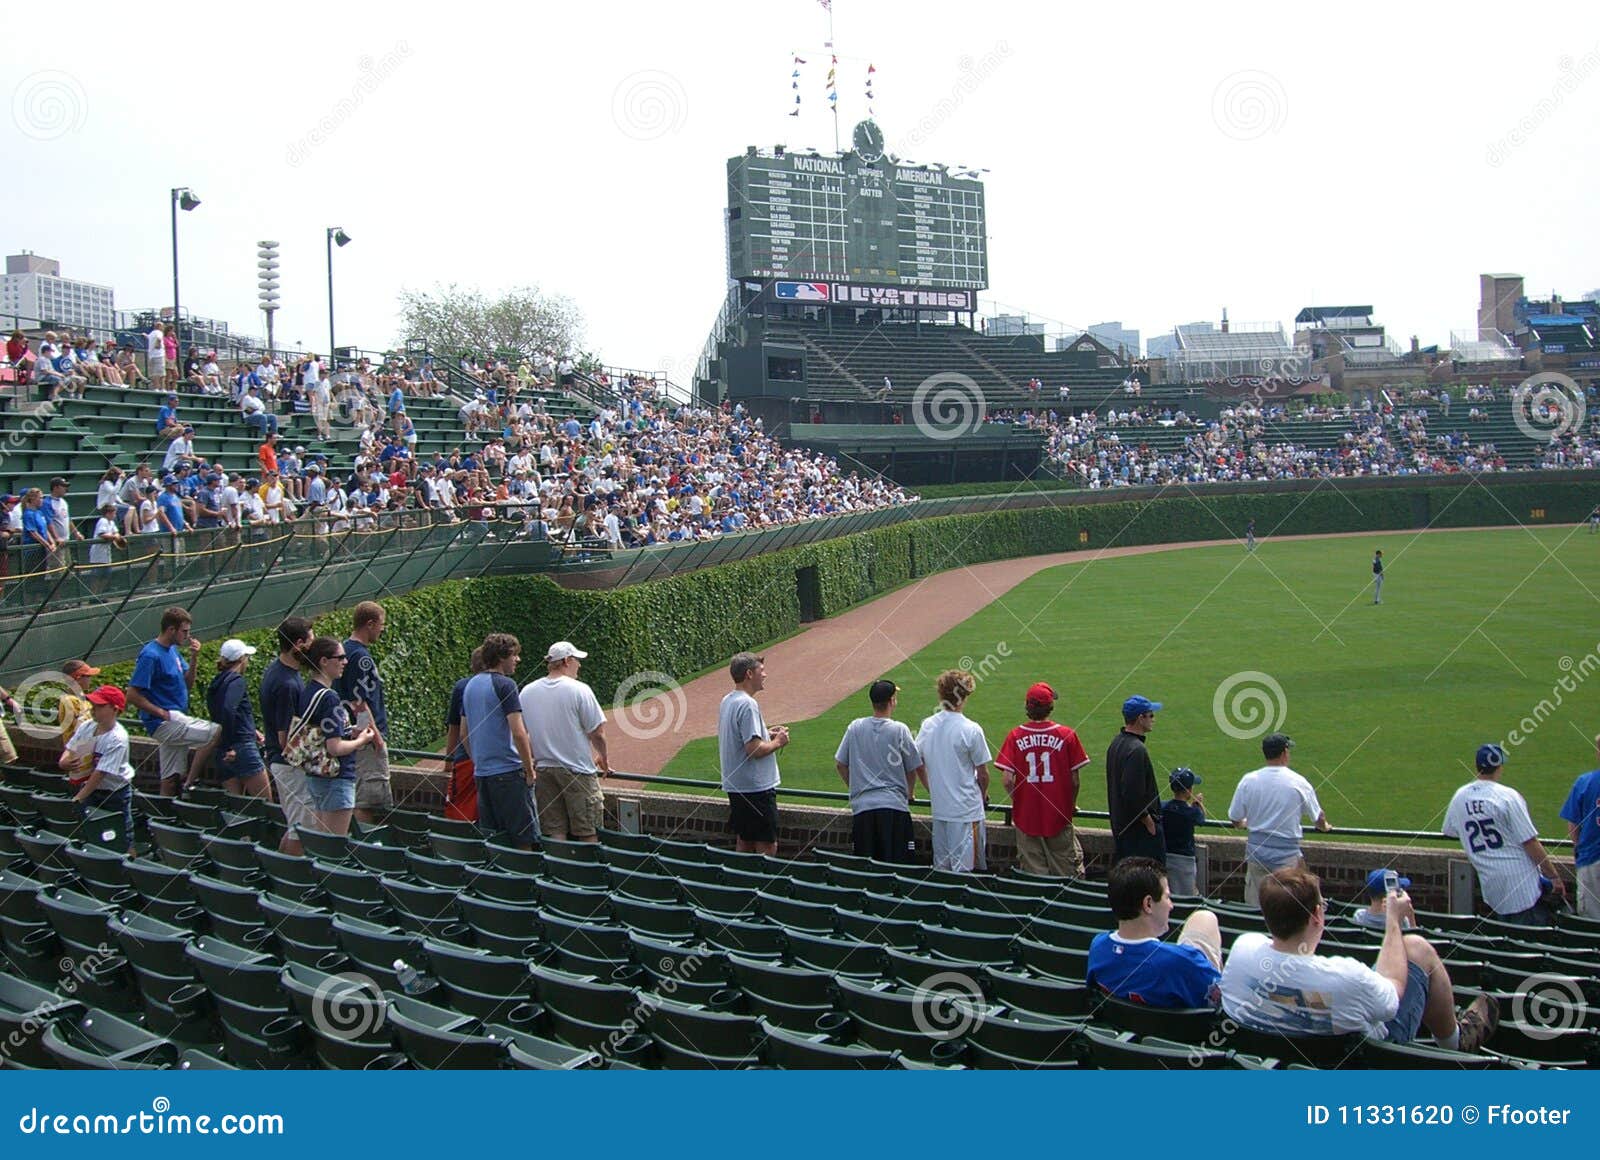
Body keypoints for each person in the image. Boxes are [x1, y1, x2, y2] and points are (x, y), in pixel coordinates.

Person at [1220, 867, 1499, 1052]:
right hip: (1366, 1062)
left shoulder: (1243, 949)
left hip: (1273, 1058)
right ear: (1316, 915)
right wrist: (1393, 920)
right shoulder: (1346, 977)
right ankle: (1456, 1045)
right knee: (1416, 947)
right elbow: (1392, 996)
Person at [1443, 744, 1566, 924]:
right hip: (1523, 886)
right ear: (1499, 767)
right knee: (1529, 941)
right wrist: (1554, 876)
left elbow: (1450, 830)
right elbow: (1530, 841)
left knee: (1507, 939)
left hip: (1492, 886)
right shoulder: (1507, 796)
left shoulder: (1460, 796)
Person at [1085, 857, 1222, 1008]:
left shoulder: (1098, 946)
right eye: (1167, 897)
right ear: (1148, 904)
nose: (1171, 905)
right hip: (1177, 1031)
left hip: (1118, 1029)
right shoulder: (1182, 961)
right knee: (1205, 918)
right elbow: (1219, 1003)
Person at [994, 681, 1090, 877]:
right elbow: (1075, 781)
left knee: (1033, 878)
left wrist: (1021, 800)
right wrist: (1070, 804)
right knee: (1066, 875)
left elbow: (1007, 780)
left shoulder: (1015, 735)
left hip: (1026, 818)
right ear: (1050, 707)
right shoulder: (1067, 735)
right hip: (1058, 815)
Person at [519, 641, 611, 842]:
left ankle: (560, 870)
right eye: (577, 660)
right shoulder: (580, 689)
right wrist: (603, 758)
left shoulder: (527, 691)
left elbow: (522, 734)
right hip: (577, 770)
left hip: (544, 770)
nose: (579, 664)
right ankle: (588, 872)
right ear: (567, 661)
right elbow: (597, 732)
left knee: (555, 832)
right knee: (588, 831)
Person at [126, 606, 221, 795]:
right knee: (216, 731)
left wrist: (194, 658)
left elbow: (187, 684)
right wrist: (162, 713)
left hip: (176, 717)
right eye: (184, 631)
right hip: (166, 721)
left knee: (170, 778)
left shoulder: (172, 651)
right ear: (171, 630)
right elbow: (132, 694)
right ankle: (191, 782)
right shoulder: (151, 655)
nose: (187, 636)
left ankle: (163, 818)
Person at [1228, 733, 1329, 907]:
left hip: (1257, 854)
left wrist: (1244, 824)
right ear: (1284, 753)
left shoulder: (1248, 780)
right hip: (1286, 856)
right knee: (1290, 904)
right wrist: (1325, 826)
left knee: (1256, 904)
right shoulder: (1299, 782)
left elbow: (1235, 818)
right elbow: (1318, 818)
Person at [296, 636, 380, 836]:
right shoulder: (330, 698)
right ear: (324, 661)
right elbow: (334, 747)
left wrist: (349, 732)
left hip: (316, 775)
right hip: (335, 779)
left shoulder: (309, 691)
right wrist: (361, 740)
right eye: (340, 657)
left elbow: (322, 734)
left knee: (321, 839)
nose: (345, 662)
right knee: (333, 846)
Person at [461, 633, 539, 849]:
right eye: (515, 655)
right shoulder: (506, 685)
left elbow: (464, 734)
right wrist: (529, 769)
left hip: (483, 774)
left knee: (495, 841)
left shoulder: (470, 685)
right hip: (509, 774)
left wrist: (479, 761)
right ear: (502, 656)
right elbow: (518, 732)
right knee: (523, 840)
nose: (518, 659)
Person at [834, 679, 923, 863]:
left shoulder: (855, 727)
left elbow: (841, 764)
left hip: (863, 810)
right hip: (894, 809)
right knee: (898, 866)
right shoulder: (900, 730)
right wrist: (909, 792)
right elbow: (912, 767)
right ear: (892, 701)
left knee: (867, 869)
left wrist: (857, 788)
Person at [915, 669, 992, 873]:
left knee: (943, 868)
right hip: (966, 811)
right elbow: (983, 773)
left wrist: (931, 788)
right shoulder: (971, 729)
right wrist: (982, 795)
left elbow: (917, 762)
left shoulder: (927, 725)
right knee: (967, 871)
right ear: (964, 696)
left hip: (941, 809)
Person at [717, 652, 788, 855]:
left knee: (745, 841)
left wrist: (767, 733)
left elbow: (740, 738)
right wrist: (778, 741)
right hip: (756, 789)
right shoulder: (748, 704)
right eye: (761, 670)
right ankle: (763, 885)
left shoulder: (727, 700)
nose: (765, 675)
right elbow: (754, 750)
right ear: (749, 673)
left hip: (737, 786)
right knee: (766, 845)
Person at [60, 685, 136, 855]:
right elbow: (71, 747)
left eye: (100, 706)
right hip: (90, 790)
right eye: (93, 705)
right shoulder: (87, 726)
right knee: (95, 835)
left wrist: (79, 798)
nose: (93, 709)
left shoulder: (118, 738)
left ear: (115, 710)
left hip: (114, 793)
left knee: (122, 837)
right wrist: (63, 762)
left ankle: (130, 871)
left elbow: (101, 773)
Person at [261, 617, 313, 854]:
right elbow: (287, 740)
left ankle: (280, 870)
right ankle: (290, 881)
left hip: (282, 763)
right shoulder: (287, 684)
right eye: (311, 640)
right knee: (301, 831)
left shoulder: (278, 671)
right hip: (288, 765)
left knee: (295, 826)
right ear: (299, 644)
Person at [337, 601, 392, 822]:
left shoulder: (343, 650)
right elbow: (358, 702)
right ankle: (362, 851)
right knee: (365, 802)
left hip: (351, 735)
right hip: (364, 738)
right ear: (369, 624)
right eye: (381, 624)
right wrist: (376, 738)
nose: (382, 629)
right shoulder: (361, 657)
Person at [1106, 695, 1164, 864]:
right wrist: (1148, 822)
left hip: (1122, 827)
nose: (1154, 719)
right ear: (1140, 718)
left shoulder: (1116, 743)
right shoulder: (1137, 750)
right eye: (1151, 715)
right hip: (1138, 833)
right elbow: (1131, 793)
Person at [207, 639, 269, 797]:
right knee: (265, 804)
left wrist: (251, 730)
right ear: (241, 659)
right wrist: (231, 746)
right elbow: (228, 709)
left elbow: (221, 713)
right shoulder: (237, 681)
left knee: (237, 805)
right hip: (240, 748)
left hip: (221, 749)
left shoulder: (216, 682)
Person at [442, 648, 486, 822]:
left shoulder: (463, 686)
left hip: (464, 759)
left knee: (460, 812)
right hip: (486, 761)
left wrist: (448, 761)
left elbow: (454, 726)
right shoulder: (502, 686)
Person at [1559, 732, 1600, 919]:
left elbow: (1573, 826)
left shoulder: (1585, 782)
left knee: (1592, 924)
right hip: (1590, 859)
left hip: (1591, 861)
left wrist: (1578, 849)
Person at [1162, 767, 1206, 896]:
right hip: (1185, 861)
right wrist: (1198, 804)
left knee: (1167, 893)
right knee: (1186, 897)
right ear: (1189, 790)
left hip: (1165, 856)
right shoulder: (1191, 813)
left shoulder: (1163, 807)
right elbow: (1202, 818)